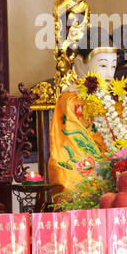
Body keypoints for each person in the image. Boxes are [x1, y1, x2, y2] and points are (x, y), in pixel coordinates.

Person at [48, 47, 119, 192]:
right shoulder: (71, 99)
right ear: (80, 65)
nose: (109, 73)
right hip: (91, 175)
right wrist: (107, 172)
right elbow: (73, 145)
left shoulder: (118, 98)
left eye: (113, 66)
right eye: (103, 65)